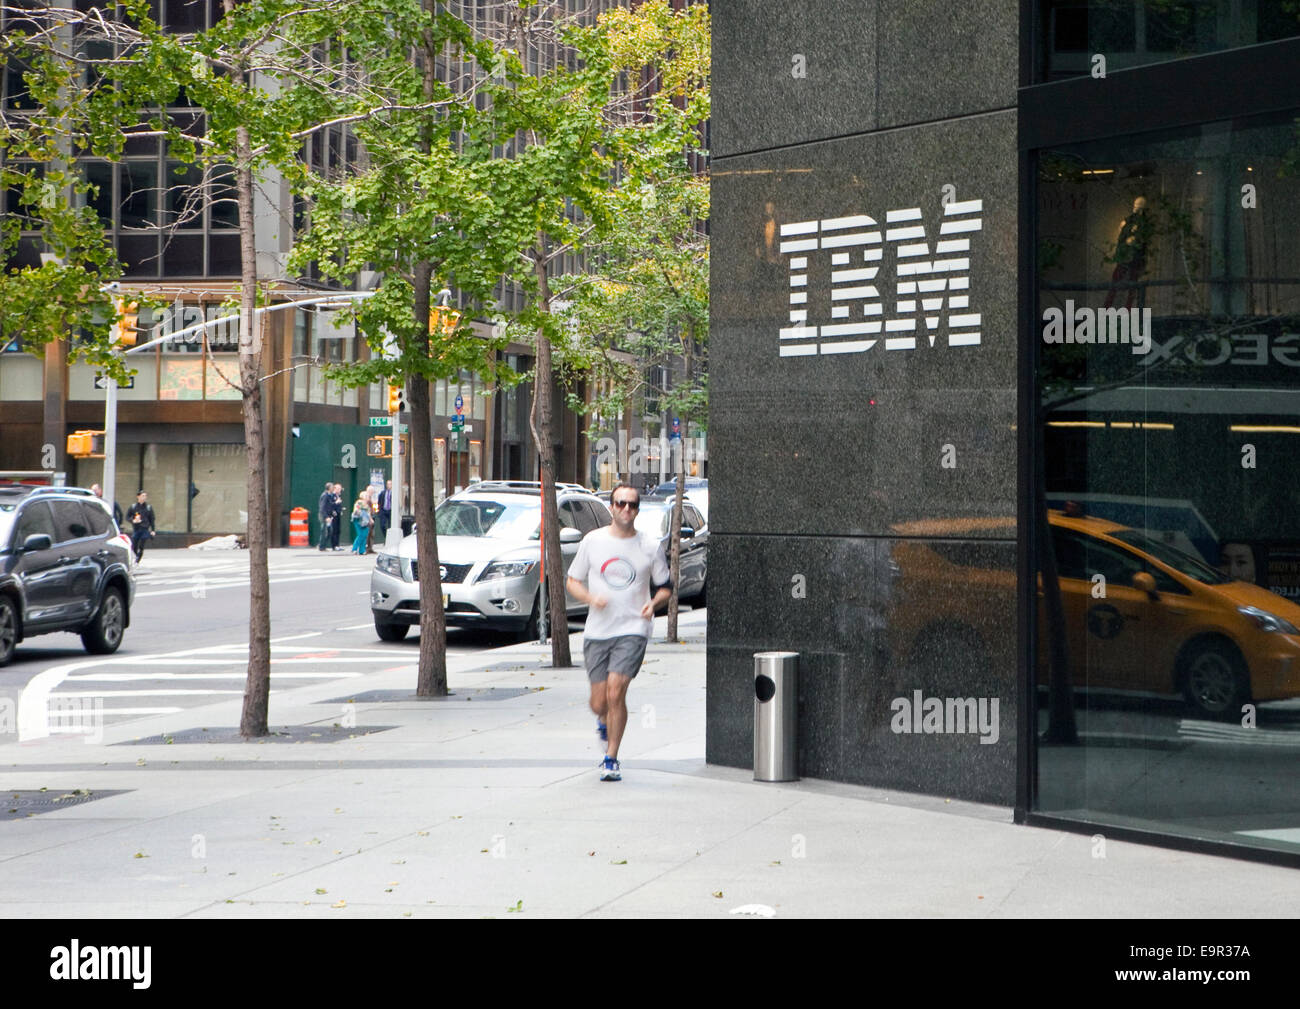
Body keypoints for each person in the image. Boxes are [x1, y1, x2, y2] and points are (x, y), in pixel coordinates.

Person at [565, 482, 671, 782]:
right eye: (621, 503)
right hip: (598, 630)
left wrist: (653, 604)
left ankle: (611, 758)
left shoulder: (650, 546)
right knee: (599, 702)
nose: (626, 509)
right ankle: (603, 720)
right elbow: (572, 580)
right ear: (611, 507)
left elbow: (666, 587)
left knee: (616, 691)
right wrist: (590, 598)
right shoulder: (593, 541)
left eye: (632, 505)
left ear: (638, 510)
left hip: (634, 628)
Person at [124, 490, 155, 562]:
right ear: (138, 496)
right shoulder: (133, 507)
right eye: (142, 496)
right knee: (134, 545)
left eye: (145, 496)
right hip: (136, 528)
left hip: (144, 529)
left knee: (141, 545)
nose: (144, 497)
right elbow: (127, 517)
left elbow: (152, 519)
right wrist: (133, 520)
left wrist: (153, 530)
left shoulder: (148, 507)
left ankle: (137, 560)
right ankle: (137, 555)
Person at [317, 481, 334, 551]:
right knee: (323, 531)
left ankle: (323, 545)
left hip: (328, 516)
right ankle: (321, 546)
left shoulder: (330, 495)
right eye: (332, 487)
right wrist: (326, 517)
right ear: (329, 488)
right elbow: (322, 507)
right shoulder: (325, 495)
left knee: (330, 531)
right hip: (324, 516)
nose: (333, 488)